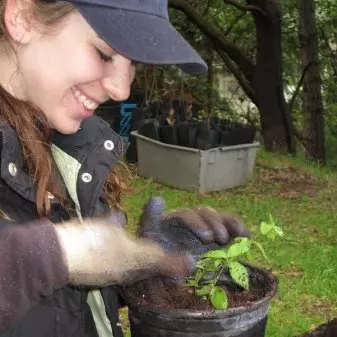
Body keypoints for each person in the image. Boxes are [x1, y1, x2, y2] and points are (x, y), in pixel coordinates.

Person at [0, 0, 250, 336]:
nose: (121, 89)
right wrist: (45, 257)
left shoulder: (63, 143)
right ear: (22, 16)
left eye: (133, 64)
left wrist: (140, 262)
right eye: (104, 54)